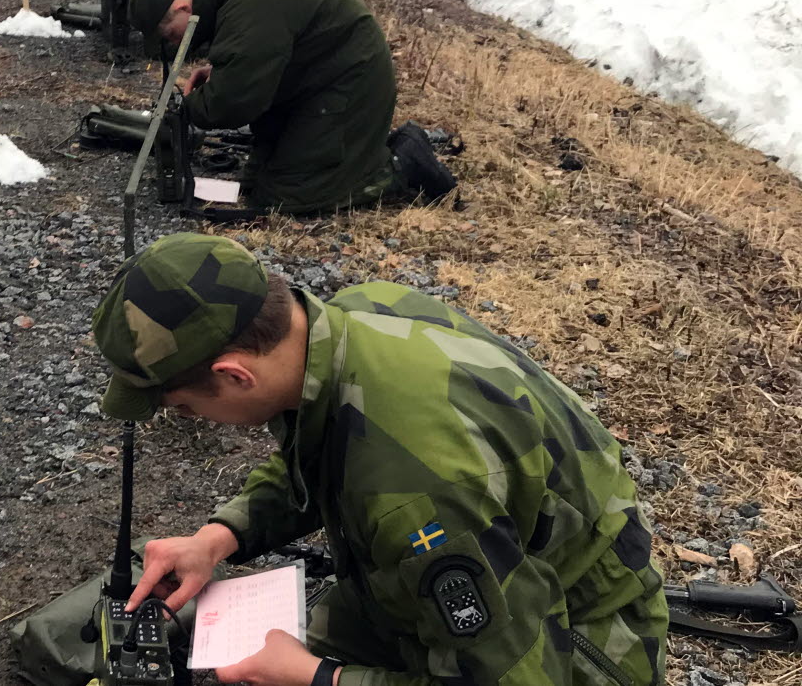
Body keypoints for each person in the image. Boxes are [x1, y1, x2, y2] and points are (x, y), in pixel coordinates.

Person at [90, 232, 668, 686]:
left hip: (582, 653)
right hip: (505, 583)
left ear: (235, 374)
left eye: (188, 409)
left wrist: (319, 678)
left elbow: (512, 679)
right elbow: (318, 448)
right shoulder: (353, 316)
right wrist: (219, 537)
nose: (195, 419)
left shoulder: (415, 493)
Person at [127, 0, 456, 214]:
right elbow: (264, 50)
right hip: (314, 79)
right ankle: (357, 149)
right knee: (256, 179)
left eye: (170, 35)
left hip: (351, 84)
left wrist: (193, 106)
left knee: (289, 196)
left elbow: (233, 102)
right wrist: (221, 71)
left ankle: (401, 163)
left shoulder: (248, 0)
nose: (174, 44)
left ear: (183, 8)